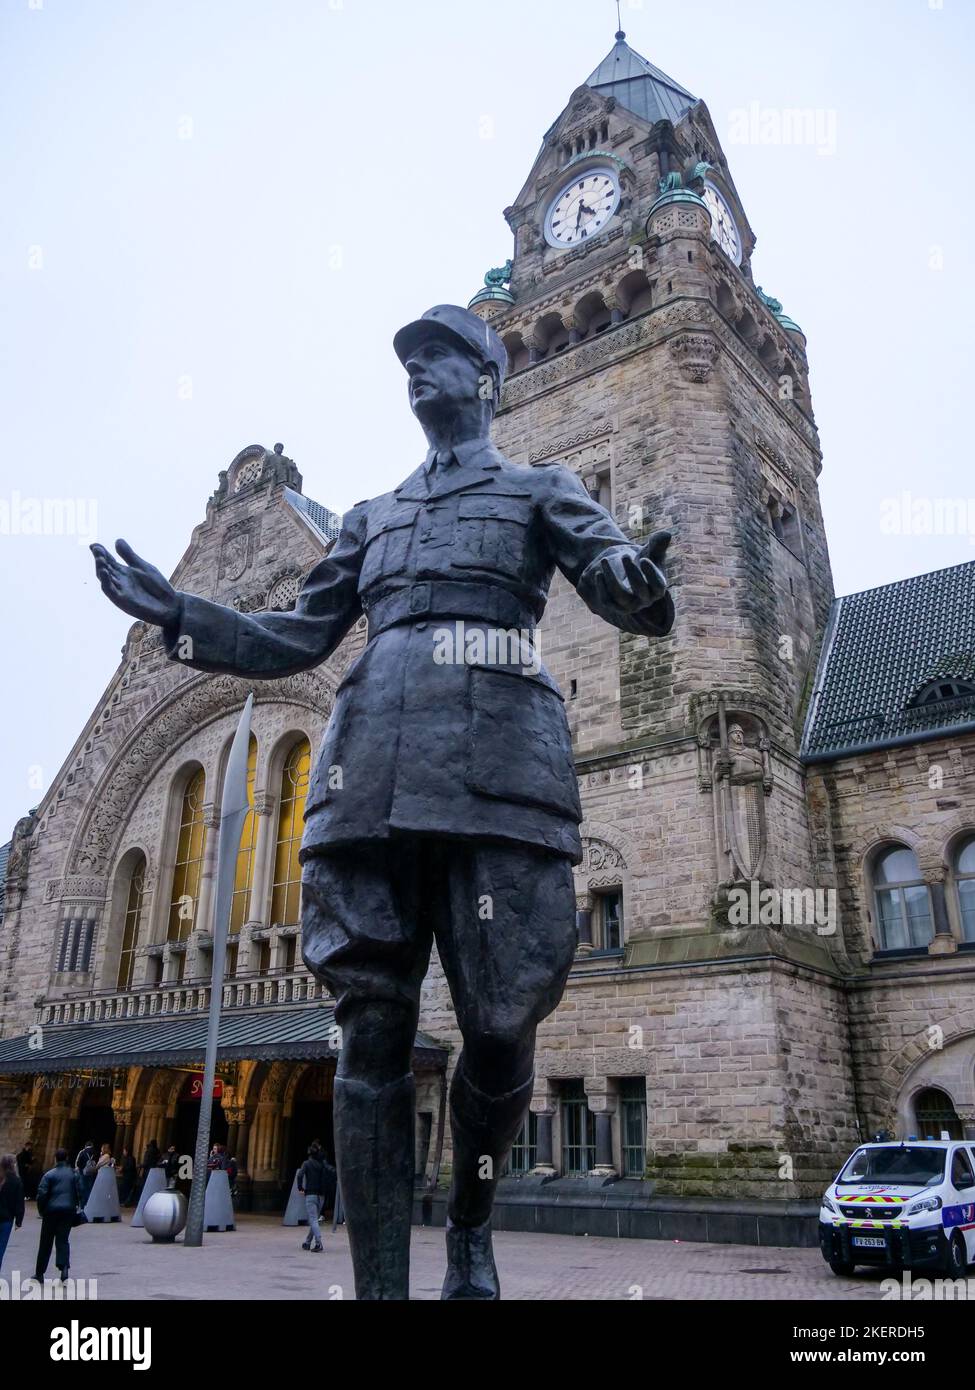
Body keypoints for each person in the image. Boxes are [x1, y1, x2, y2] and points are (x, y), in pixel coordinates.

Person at [90, 303, 674, 1300]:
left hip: (503, 769)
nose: (418, 374)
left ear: (486, 380)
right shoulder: (372, 517)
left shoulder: (542, 489)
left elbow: (619, 580)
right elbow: (294, 637)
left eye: (438, 358)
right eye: (408, 363)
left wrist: (635, 578)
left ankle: (474, 1220)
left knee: (499, 1021)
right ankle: (380, 1291)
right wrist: (181, 617)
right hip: (371, 772)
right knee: (370, 1026)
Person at [35, 1148, 83, 1284]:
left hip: (51, 1212)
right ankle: (64, 1269)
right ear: (67, 1158)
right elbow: (81, 1191)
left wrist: (42, 1210)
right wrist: (78, 1206)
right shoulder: (74, 1174)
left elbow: (41, 1194)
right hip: (68, 1211)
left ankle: (39, 1273)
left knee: (45, 1242)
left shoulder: (49, 1175)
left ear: (55, 1158)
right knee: (63, 1240)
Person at [297, 1143, 327, 1253]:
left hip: (310, 1194)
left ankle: (318, 1243)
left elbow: (300, 1175)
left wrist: (300, 1187)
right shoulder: (322, 1164)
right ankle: (307, 1242)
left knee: (313, 1220)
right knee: (315, 1220)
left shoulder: (306, 1163)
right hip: (321, 1195)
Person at [0, 1153, 26, 1272]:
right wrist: (19, 1221)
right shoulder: (16, 1182)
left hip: (5, 1218)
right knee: (0, 1249)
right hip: (6, 1219)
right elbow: (19, 1203)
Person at [75, 1139, 97, 1205]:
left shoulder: (83, 1152)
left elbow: (78, 1163)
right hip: (92, 1173)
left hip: (83, 1173)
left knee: (83, 1188)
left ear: (85, 1145)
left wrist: (81, 1168)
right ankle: (89, 1203)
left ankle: (83, 1204)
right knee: (90, 1188)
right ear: (92, 1145)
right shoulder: (95, 1152)